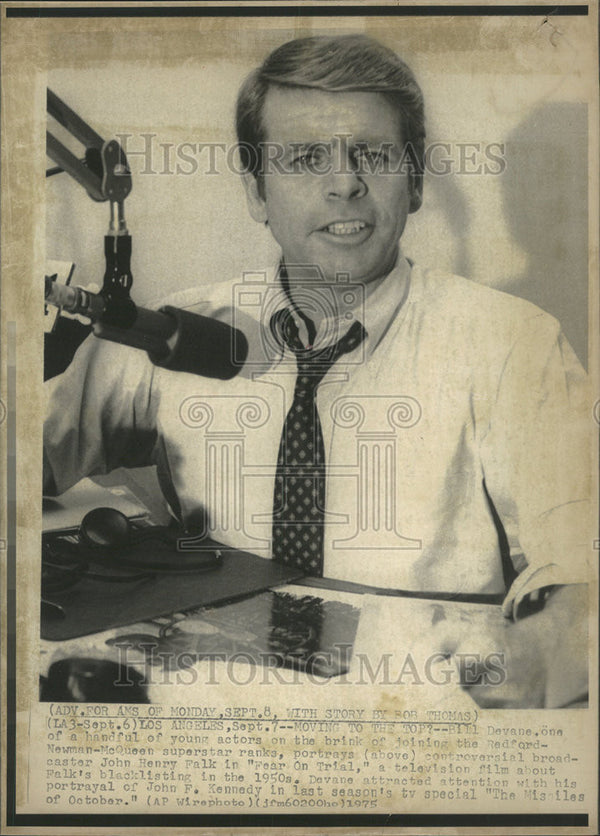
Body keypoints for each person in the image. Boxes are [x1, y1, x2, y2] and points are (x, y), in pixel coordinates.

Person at [43, 34, 590, 707]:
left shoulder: (516, 347)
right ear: (256, 192)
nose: (345, 182)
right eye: (305, 158)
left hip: (415, 725)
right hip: (210, 711)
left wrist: (545, 651)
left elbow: (582, 564)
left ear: (414, 181)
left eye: (374, 154)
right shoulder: (171, 332)